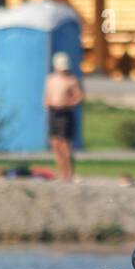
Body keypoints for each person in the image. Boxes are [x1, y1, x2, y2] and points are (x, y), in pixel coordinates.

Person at [44, 51, 83, 181]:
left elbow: (78, 97)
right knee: (55, 143)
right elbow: (47, 96)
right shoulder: (50, 79)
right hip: (53, 112)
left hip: (65, 113)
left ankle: (69, 173)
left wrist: (68, 103)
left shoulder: (71, 80)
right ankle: (61, 172)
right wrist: (47, 103)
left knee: (65, 144)